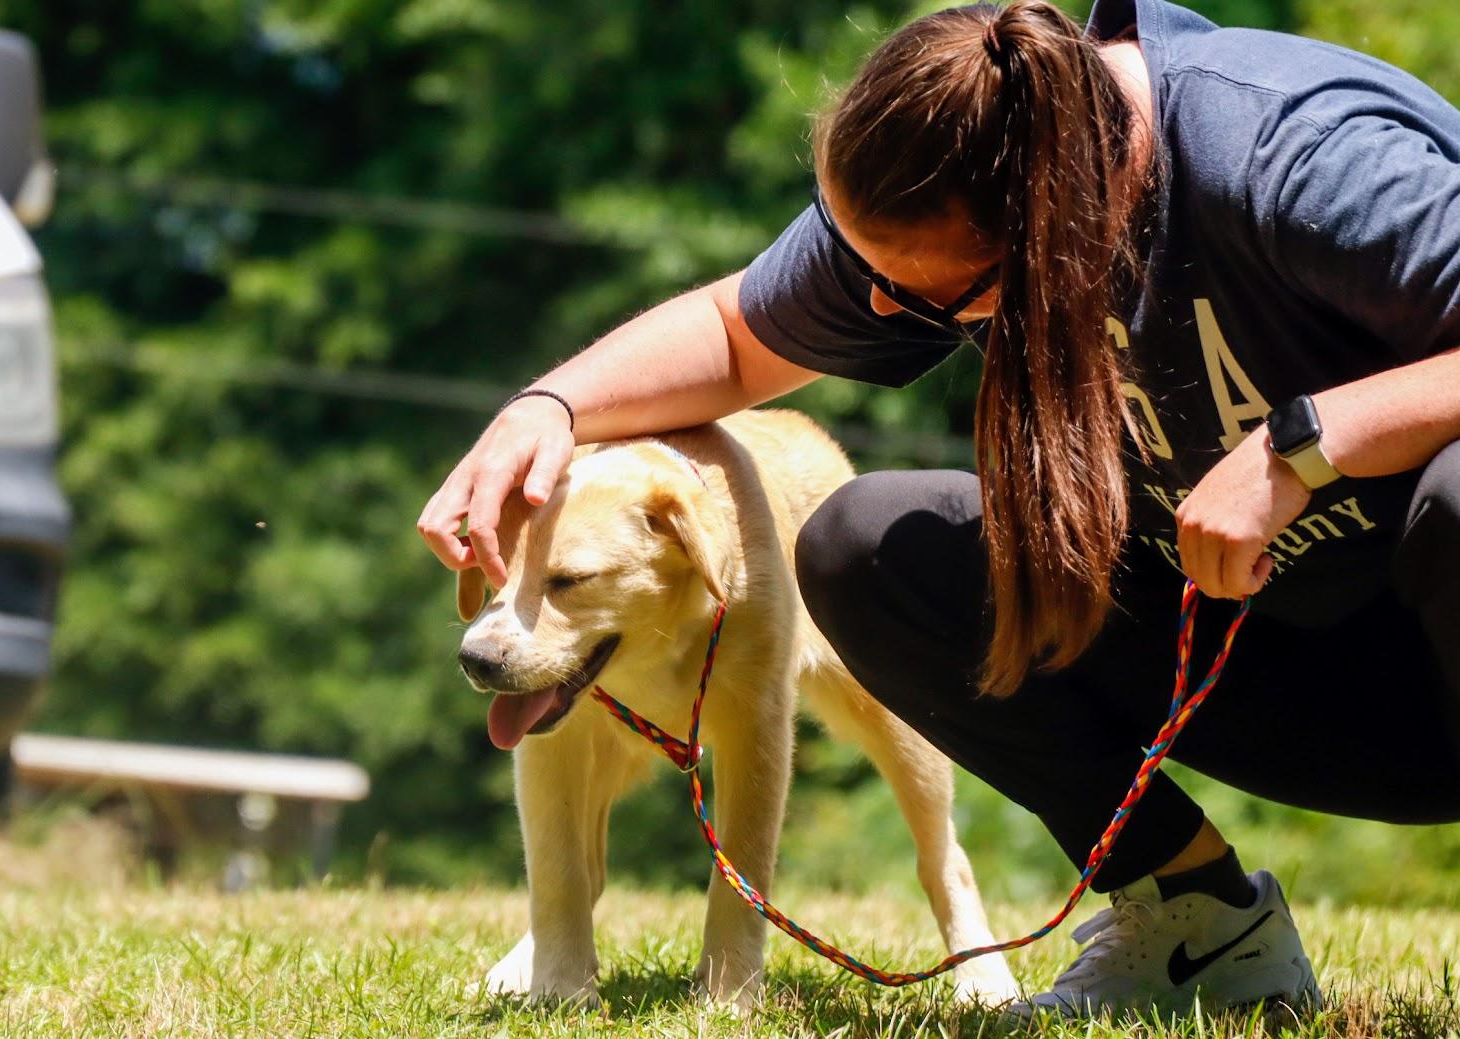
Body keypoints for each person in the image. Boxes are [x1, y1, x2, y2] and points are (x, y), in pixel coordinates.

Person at [419, 0, 1460, 1017]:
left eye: (925, 302)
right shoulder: (949, 190)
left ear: (1050, 220)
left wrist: (1301, 446)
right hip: (1277, 668)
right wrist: (545, 407)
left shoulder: (1292, 152)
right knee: (865, 547)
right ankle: (1197, 920)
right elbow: (737, 338)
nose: (880, 312)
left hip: (1430, 651)